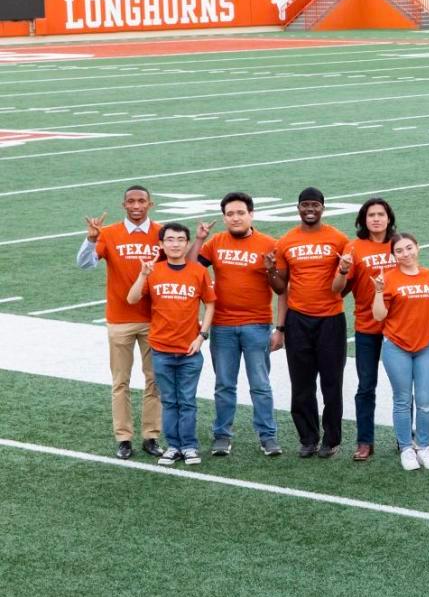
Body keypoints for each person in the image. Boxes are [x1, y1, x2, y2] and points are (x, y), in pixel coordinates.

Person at [76, 184, 164, 458]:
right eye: (131, 201)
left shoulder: (162, 232)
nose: (136, 206)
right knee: (120, 382)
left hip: (154, 319)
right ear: (123, 205)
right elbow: (85, 264)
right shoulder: (109, 233)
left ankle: (151, 436)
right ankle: (123, 438)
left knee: (154, 381)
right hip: (119, 319)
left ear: (150, 204)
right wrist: (91, 240)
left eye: (141, 201)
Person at [197, 192, 282, 457]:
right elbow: (189, 269)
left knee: (260, 385)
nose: (235, 218)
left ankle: (268, 436)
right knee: (224, 384)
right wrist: (199, 239)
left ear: (251, 214)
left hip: (257, 325)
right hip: (222, 326)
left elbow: (282, 288)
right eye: (230, 214)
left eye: (240, 213)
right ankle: (222, 435)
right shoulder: (215, 242)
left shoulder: (269, 244)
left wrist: (280, 328)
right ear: (224, 217)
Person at [270, 187, 350, 459]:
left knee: (332, 382)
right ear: (298, 208)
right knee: (301, 383)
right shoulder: (286, 241)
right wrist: (270, 271)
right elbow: (281, 287)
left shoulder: (339, 239)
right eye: (305, 205)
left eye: (315, 205)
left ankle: (332, 439)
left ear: (323, 208)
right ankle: (308, 438)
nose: (310, 209)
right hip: (298, 320)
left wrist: (332, 298)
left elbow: (347, 281)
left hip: (331, 320)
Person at [127, 223, 214, 467]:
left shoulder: (198, 271)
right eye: (170, 239)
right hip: (161, 350)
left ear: (187, 243)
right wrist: (143, 274)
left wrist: (202, 336)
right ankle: (174, 446)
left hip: (189, 351)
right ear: (161, 244)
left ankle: (189, 446)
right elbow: (132, 298)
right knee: (169, 401)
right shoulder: (153, 270)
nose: (175, 244)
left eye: (180, 239)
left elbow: (210, 304)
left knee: (187, 401)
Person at [371, 232, 429, 472]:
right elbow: (379, 316)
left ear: (418, 247)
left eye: (409, 248)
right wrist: (378, 291)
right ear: (393, 255)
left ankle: (424, 446)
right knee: (402, 400)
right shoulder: (387, 278)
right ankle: (406, 448)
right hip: (397, 346)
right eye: (399, 251)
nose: (405, 254)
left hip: (427, 347)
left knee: (425, 401)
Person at [330, 196, 397, 462]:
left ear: (389, 218)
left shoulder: (399, 243)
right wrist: (343, 270)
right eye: (371, 215)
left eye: (381, 214)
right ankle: (364, 441)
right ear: (363, 220)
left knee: (403, 387)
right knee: (366, 386)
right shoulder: (354, 247)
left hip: (398, 327)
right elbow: (337, 290)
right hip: (367, 326)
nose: (376, 219)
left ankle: (407, 438)